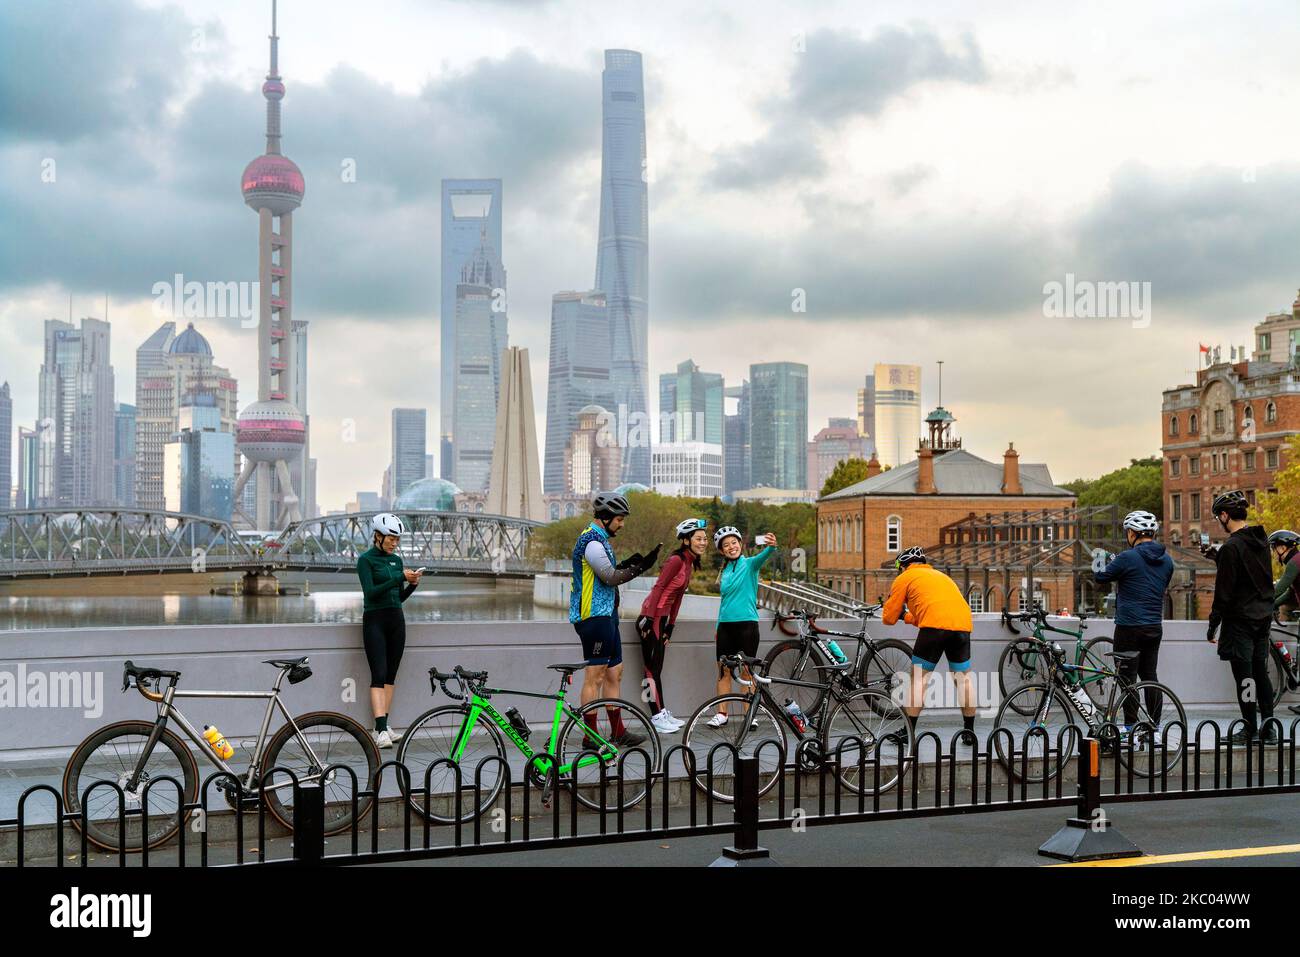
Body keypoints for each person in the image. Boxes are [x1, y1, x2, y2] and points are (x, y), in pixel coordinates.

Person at [569, 492, 659, 746]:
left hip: (607, 615)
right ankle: (591, 735)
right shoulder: (591, 542)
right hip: (593, 616)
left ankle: (617, 731)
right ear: (606, 517)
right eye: (619, 519)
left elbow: (608, 573)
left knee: (614, 673)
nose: (622, 524)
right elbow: (609, 576)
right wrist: (639, 568)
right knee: (595, 676)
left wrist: (628, 564)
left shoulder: (601, 540)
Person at [1201, 490, 1277, 744]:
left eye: (1218, 517)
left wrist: (1213, 624)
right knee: (1261, 673)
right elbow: (1253, 574)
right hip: (1262, 618)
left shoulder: (1232, 546)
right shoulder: (1261, 541)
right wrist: (1218, 557)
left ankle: (1249, 728)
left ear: (1225, 515)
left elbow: (1224, 592)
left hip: (1240, 622)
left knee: (1245, 677)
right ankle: (1270, 727)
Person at [880, 546, 976, 737]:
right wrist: (910, 617)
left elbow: (888, 618)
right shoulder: (942, 577)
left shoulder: (904, 578)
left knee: (919, 680)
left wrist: (903, 615)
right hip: (963, 626)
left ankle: (907, 733)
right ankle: (969, 732)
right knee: (963, 680)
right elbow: (932, 610)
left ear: (903, 566)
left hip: (934, 629)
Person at [1094, 510, 1174, 732]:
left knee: (1126, 678)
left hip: (1129, 626)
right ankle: (1154, 728)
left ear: (1132, 533)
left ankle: (1130, 726)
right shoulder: (1167, 560)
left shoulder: (1128, 557)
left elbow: (1100, 576)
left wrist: (1098, 558)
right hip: (1154, 626)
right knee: (1150, 676)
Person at [636, 518, 708, 734]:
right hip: (651, 617)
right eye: (698, 538)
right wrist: (648, 618)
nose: (703, 542)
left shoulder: (689, 562)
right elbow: (659, 587)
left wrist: (671, 626)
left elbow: (677, 598)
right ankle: (656, 716)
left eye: (705, 539)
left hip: (663, 619)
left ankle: (662, 711)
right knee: (650, 669)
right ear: (686, 540)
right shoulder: (676, 560)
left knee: (656, 669)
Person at [356, 513, 422, 748]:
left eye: (397, 539)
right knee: (379, 674)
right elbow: (371, 593)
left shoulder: (397, 561)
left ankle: (383, 727)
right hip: (375, 620)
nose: (395, 543)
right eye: (391, 538)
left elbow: (398, 597)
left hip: (396, 620)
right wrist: (398, 577)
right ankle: (380, 729)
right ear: (378, 536)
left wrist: (412, 585)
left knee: (391, 675)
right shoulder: (366, 561)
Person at [706, 526, 776, 727]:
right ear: (722, 551)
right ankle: (722, 714)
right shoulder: (725, 570)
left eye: (733, 543)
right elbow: (724, 601)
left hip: (747, 625)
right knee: (723, 671)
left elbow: (764, 556)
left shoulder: (750, 565)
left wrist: (771, 547)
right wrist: (718, 626)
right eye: (726, 545)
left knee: (747, 672)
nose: (731, 547)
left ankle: (749, 715)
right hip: (726, 627)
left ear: (740, 544)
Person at [1267, 528, 1300, 715]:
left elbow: (1281, 587)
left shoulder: (1295, 563)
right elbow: (1290, 594)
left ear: (1283, 547)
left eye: (1275, 548)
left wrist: (1264, 601)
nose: (1274, 552)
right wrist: (1273, 603)